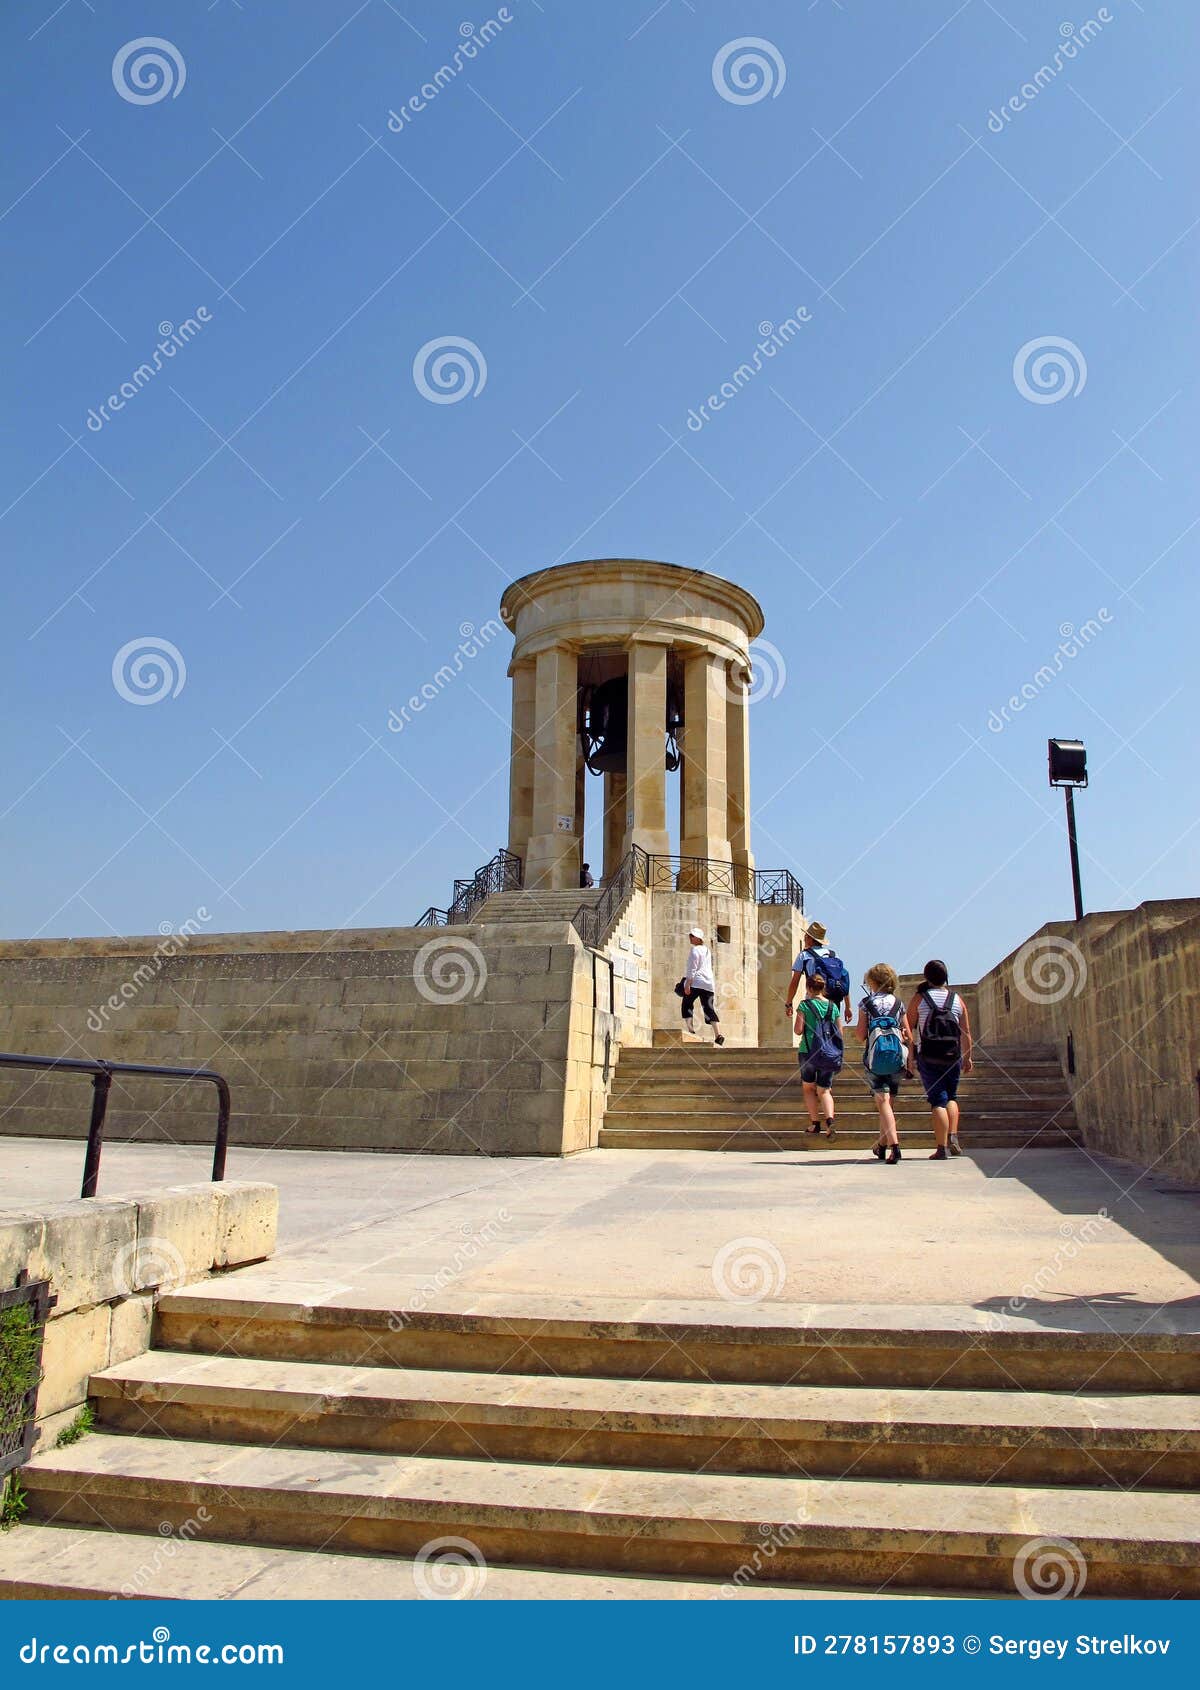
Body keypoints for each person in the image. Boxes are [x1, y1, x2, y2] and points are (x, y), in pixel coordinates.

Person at [906, 959, 973, 1160]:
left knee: (937, 1101)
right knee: (951, 1097)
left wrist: (910, 1056)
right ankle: (953, 1136)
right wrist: (968, 1057)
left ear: (926, 977)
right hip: (952, 1056)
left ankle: (941, 1147)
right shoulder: (957, 999)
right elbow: (966, 1032)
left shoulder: (920, 998)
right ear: (946, 977)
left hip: (928, 1056)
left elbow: (908, 1028)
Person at [855, 963, 912, 1166]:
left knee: (883, 1102)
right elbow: (908, 1036)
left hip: (875, 1058)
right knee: (887, 1103)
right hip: (896, 1057)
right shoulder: (898, 1004)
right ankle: (881, 1145)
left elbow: (860, 1034)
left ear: (873, 982)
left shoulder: (865, 1004)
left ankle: (894, 1147)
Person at [795, 972, 843, 1138]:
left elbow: (798, 1030)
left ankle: (815, 1124)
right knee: (825, 1090)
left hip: (808, 1051)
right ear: (823, 988)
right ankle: (830, 1121)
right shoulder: (833, 1006)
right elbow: (840, 1031)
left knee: (809, 1088)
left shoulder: (804, 1005)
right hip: (828, 1052)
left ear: (808, 988)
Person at [785, 921, 853, 1029]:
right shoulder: (833, 955)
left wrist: (789, 1003)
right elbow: (843, 981)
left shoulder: (804, 956)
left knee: (812, 1034)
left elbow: (795, 982)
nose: (804, 938)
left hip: (813, 1002)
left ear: (811, 939)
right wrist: (848, 1007)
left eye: (806, 936)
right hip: (833, 1003)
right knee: (831, 1035)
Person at [681, 927, 725, 1046]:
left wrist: (687, 985)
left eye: (691, 936)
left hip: (696, 982)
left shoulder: (694, 951)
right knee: (709, 1008)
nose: (689, 938)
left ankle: (691, 1030)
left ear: (696, 938)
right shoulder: (707, 950)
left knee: (686, 1004)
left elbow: (692, 969)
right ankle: (718, 1035)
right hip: (708, 983)